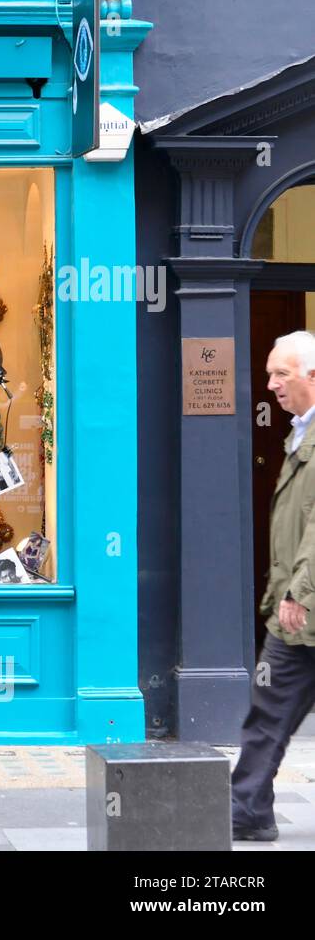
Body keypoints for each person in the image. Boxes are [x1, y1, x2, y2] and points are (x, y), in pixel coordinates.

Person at [233, 331, 315, 841]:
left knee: (268, 710)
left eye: (280, 374)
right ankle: (248, 810)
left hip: (301, 604)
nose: (270, 385)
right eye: (269, 373)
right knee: (266, 710)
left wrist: (299, 593)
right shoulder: (298, 432)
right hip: (291, 612)